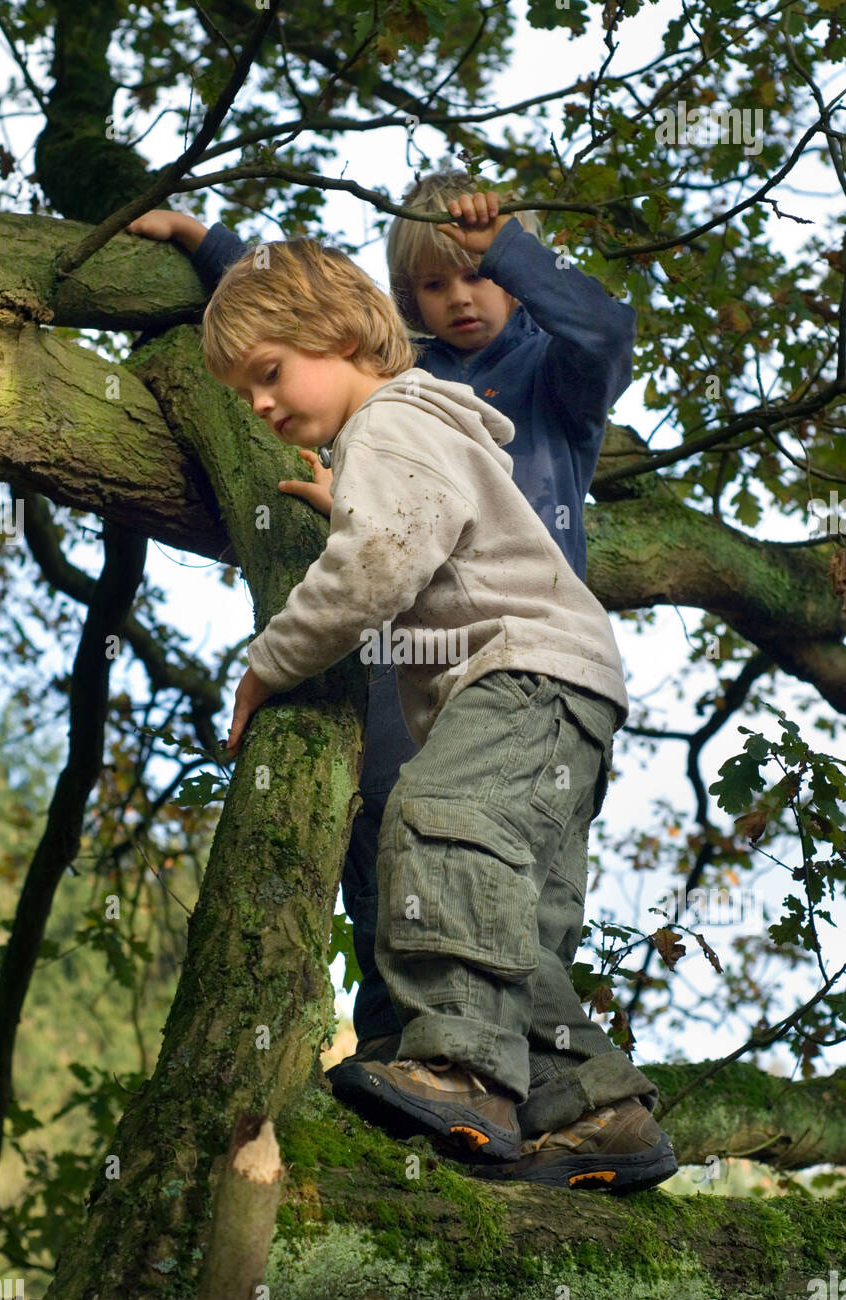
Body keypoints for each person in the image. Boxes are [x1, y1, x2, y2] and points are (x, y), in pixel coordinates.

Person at [127, 189, 678, 1193]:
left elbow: (372, 565)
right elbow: (403, 512)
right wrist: (205, 241)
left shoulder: (392, 418)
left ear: (342, 336)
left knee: (435, 819)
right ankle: (596, 1108)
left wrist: (269, 658)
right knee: (513, 920)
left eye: (267, 378)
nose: (257, 404)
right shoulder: (422, 421)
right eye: (245, 388)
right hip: (572, 694)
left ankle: (464, 1069)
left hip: (521, 674)